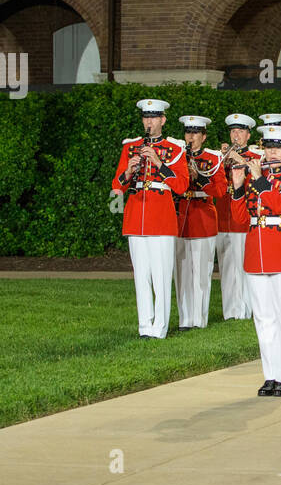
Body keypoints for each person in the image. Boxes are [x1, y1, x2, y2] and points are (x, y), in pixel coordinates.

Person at [229, 126, 281, 395]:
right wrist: (239, 188)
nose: (271, 152)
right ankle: (271, 374)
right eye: (268, 147)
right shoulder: (255, 176)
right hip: (257, 252)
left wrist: (258, 180)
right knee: (264, 318)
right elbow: (241, 219)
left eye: (278, 147)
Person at [110, 99, 189, 338]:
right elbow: (116, 187)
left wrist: (159, 163)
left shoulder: (175, 149)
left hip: (161, 219)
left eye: (153, 118)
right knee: (141, 275)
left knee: (161, 276)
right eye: (146, 117)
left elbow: (182, 185)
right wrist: (128, 172)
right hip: (135, 217)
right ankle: (145, 326)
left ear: (163, 120)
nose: (149, 122)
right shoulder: (130, 147)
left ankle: (160, 327)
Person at [174, 115, 226, 330]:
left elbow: (220, 190)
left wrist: (200, 178)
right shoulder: (177, 156)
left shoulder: (213, 158)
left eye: (195, 133)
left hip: (202, 216)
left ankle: (199, 319)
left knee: (201, 274)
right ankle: (185, 319)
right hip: (180, 217)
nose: (191, 137)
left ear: (203, 136)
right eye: (188, 132)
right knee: (182, 272)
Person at [215, 114, 259, 319]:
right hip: (224, 217)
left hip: (243, 217)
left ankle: (246, 309)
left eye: (240, 132)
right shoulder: (221, 157)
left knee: (244, 265)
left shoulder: (255, 155)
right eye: (233, 131)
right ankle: (230, 310)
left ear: (248, 135)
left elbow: (257, 178)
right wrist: (222, 162)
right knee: (226, 266)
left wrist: (238, 159)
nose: (236, 136)